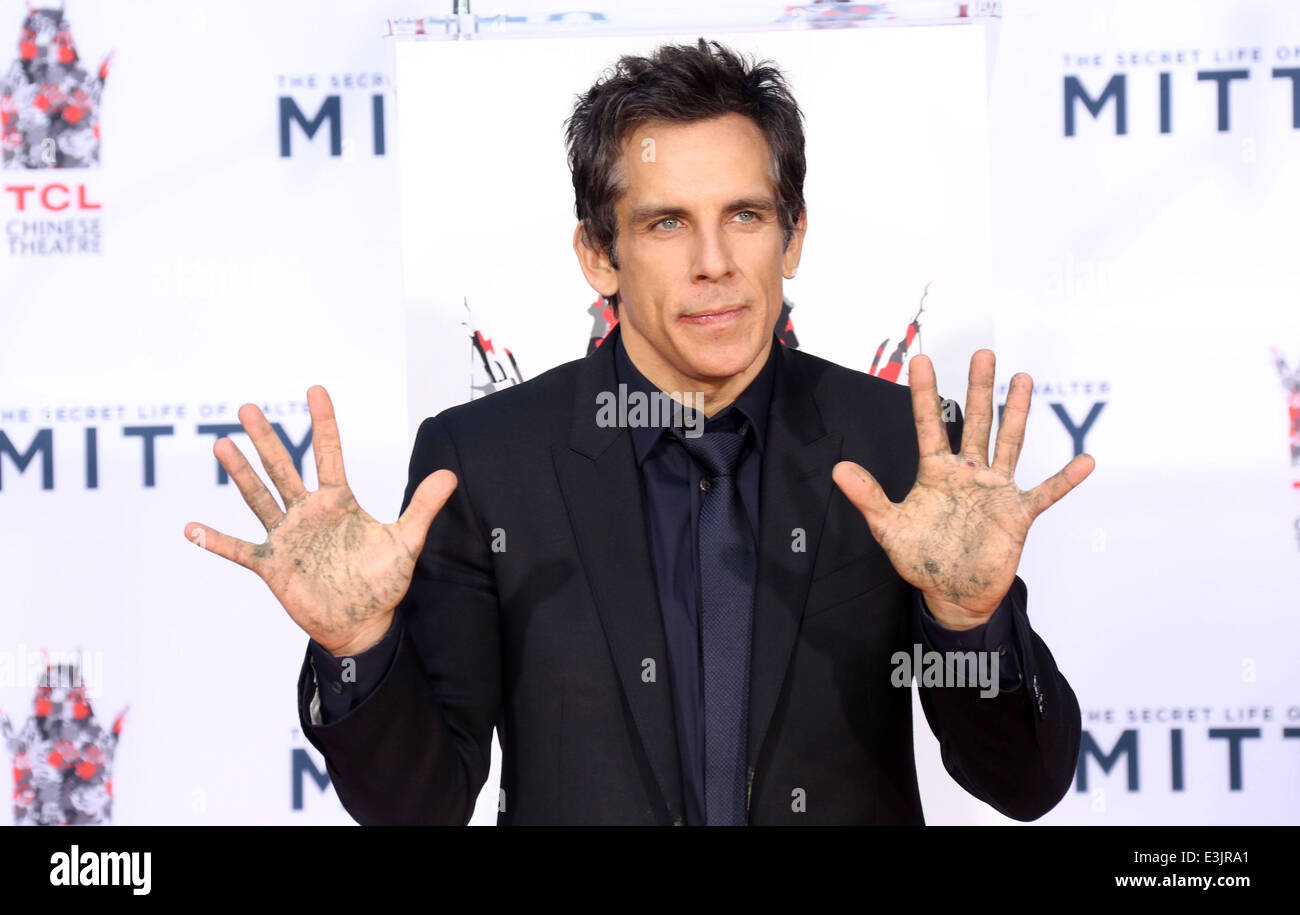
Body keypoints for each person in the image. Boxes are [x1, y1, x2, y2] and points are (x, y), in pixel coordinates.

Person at [185, 39, 1092, 825]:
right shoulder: (486, 462)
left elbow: (1024, 783)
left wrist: (970, 623)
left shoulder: (896, 448)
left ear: (795, 236)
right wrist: (358, 652)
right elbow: (417, 804)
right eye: (667, 224)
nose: (715, 264)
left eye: (746, 215)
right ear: (598, 255)